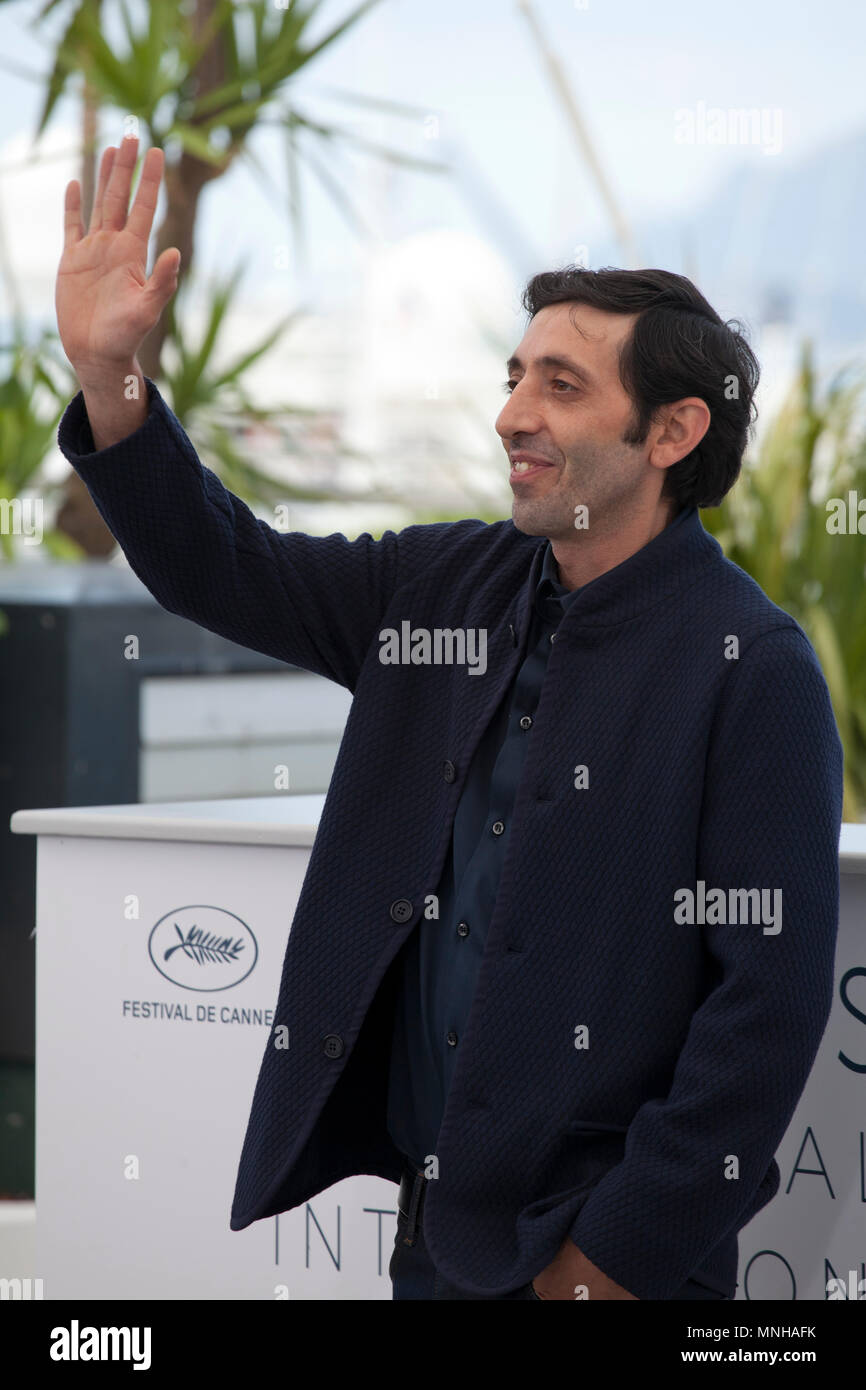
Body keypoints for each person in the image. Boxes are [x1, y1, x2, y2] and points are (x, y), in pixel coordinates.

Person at [55, 134, 843, 1301]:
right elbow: (224, 565)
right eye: (513, 377)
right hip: (431, 1245)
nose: (511, 414)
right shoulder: (437, 588)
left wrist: (606, 1259)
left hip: (607, 1270)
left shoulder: (753, 669)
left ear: (672, 433)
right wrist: (112, 374)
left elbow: (763, 1014)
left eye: (559, 386)